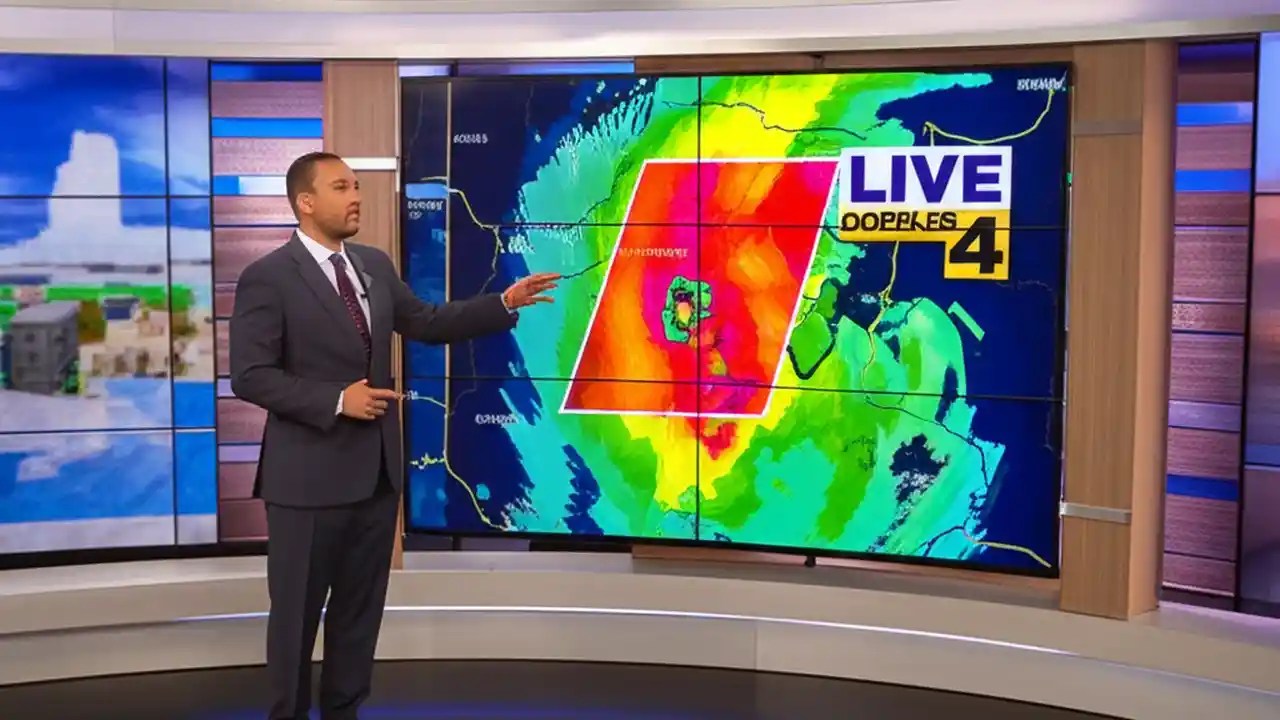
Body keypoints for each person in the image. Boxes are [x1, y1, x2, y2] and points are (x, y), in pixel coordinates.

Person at [229, 151, 558, 720]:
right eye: (340, 187)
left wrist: (502, 303)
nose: (355, 196)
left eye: (356, 186)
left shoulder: (374, 266)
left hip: (374, 480)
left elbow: (427, 322)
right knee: (295, 622)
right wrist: (337, 400)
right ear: (305, 203)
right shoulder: (268, 277)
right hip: (305, 484)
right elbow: (250, 375)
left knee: (358, 620)